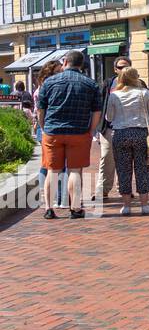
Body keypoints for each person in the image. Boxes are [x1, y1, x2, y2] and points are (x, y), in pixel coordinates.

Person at [35, 50, 102, 220]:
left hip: (53, 132)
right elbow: (96, 112)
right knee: (75, 171)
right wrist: (90, 130)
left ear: (65, 62)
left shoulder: (49, 82)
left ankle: (49, 209)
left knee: (52, 170)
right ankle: (75, 208)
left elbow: (40, 109)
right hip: (79, 132)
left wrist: (44, 127)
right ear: (81, 65)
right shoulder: (90, 84)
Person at [104, 68, 149, 216]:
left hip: (120, 134)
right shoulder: (144, 93)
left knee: (123, 169)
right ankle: (145, 205)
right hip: (141, 133)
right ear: (136, 78)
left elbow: (109, 117)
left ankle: (126, 205)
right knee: (143, 168)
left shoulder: (114, 95)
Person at [33, 60, 69, 210]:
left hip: (49, 127)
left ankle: (56, 197)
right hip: (47, 128)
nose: (60, 74)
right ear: (49, 73)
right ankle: (53, 197)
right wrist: (42, 127)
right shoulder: (45, 87)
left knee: (51, 164)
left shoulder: (47, 86)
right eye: (57, 72)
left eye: (61, 72)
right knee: (51, 165)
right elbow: (41, 111)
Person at [95, 56, 131, 202]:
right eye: (120, 67)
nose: (123, 70)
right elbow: (100, 104)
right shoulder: (108, 83)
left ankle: (124, 188)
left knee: (127, 160)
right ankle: (102, 190)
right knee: (106, 158)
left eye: (126, 66)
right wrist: (98, 127)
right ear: (115, 69)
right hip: (109, 127)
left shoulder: (138, 84)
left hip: (130, 127)